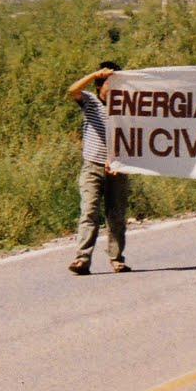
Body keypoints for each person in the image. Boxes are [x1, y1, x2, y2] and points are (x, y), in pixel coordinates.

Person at [66, 61, 130, 275]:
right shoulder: (91, 102)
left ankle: (117, 258)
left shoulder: (128, 107)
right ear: (100, 86)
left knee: (116, 215)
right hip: (93, 166)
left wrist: (118, 160)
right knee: (89, 212)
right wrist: (94, 74)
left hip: (118, 168)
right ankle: (82, 259)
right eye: (110, 83)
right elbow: (72, 90)